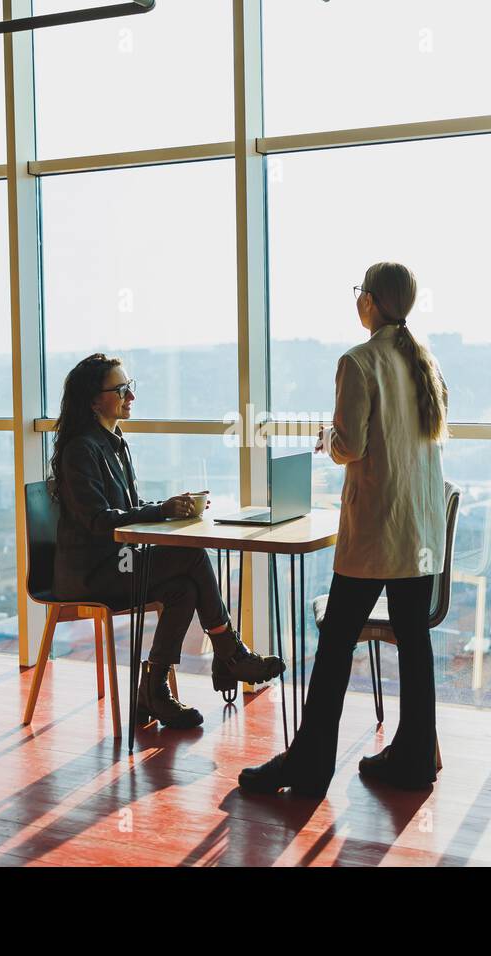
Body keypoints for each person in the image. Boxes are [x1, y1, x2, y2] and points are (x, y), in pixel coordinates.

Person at [239, 261, 447, 797]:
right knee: (413, 641)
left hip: (379, 531)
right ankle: (415, 755)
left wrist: (326, 439)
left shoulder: (359, 361)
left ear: (372, 302)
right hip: (420, 531)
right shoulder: (422, 362)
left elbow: (350, 445)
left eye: (360, 293)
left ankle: (308, 765)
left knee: (333, 646)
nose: (358, 301)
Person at [49, 354, 284, 728]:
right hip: (93, 573)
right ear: (94, 400)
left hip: (119, 562)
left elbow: (125, 508)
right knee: (191, 558)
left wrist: (169, 508)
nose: (131, 397)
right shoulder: (82, 450)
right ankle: (229, 652)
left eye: (131, 387)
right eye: (121, 389)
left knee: (182, 589)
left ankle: (153, 691)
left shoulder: (114, 443)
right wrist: (161, 512)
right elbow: (98, 521)